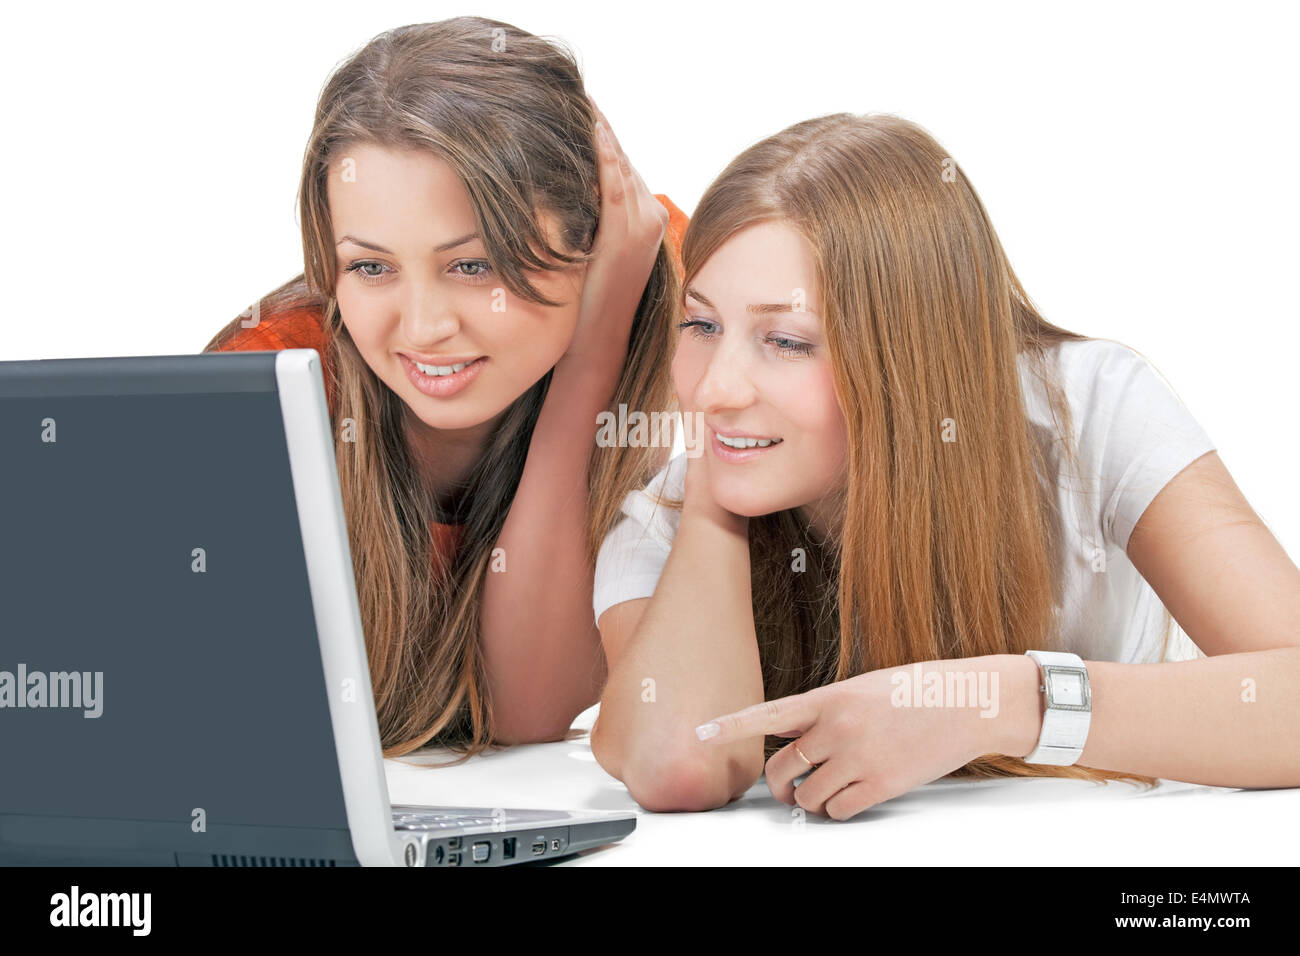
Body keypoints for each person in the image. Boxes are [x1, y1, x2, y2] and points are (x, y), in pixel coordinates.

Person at [590, 112, 1300, 818]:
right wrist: (717, 497)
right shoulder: (670, 513)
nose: (713, 389)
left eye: (784, 340)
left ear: (906, 360)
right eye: (702, 325)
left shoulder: (1090, 411)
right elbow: (677, 763)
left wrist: (993, 704)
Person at [204, 17, 689, 760]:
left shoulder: (657, 280)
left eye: (473, 266)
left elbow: (530, 710)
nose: (424, 328)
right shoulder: (270, 381)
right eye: (371, 267)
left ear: (594, 242)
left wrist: (595, 353)